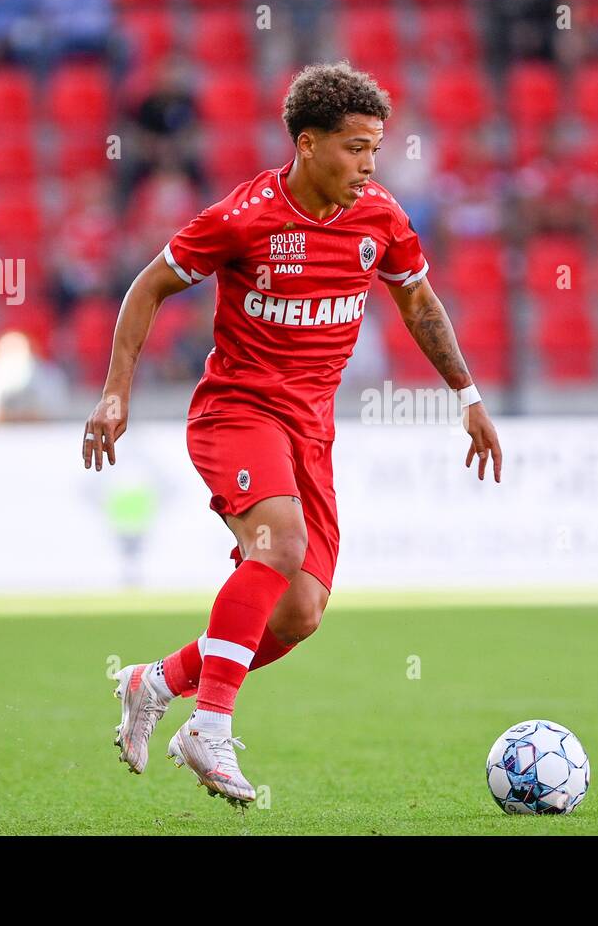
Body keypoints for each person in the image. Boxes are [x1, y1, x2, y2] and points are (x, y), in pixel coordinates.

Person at [82, 62, 503, 806]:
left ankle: (158, 682)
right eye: (353, 147)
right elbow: (147, 285)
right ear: (307, 145)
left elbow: (420, 303)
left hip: (310, 433)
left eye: (375, 147)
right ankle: (209, 727)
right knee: (278, 540)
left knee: (301, 609)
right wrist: (116, 394)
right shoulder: (244, 218)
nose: (369, 163)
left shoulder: (380, 219)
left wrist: (466, 394)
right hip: (236, 413)